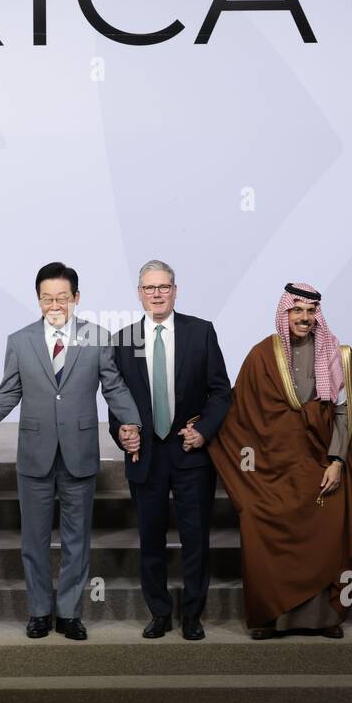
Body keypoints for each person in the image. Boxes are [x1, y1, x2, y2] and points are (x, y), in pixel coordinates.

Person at [0, 262, 142, 640]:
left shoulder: (97, 337)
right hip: (34, 454)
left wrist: (131, 421)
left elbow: (113, 387)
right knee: (33, 541)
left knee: (76, 539)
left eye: (62, 298)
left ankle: (69, 613)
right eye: (47, 298)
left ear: (76, 298)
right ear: (38, 300)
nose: (55, 304)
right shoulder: (20, 340)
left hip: (79, 452)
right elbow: (10, 391)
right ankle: (38, 612)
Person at [209, 283, 352, 639]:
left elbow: (345, 414)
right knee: (260, 523)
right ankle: (271, 617)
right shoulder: (261, 356)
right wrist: (202, 427)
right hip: (273, 467)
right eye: (297, 311)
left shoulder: (337, 354)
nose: (304, 318)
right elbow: (241, 412)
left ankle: (323, 618)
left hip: (320, 464)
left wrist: (337, 461)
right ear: (284, 313)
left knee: (326, 532)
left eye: (311, 312)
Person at [108, 260, 231, 641]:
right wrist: (121, 432)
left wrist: (205, 432)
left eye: (163, 287)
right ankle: (159, 613)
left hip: (190, 453)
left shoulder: (201, 332)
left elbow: (220, 391)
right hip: (146, 456)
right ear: (140, 293)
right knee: (151, 539)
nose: (157, 294)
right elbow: (116, 399)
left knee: (196, 539)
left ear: (175, 291)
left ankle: (192, 615)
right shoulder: (124, 340)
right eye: (149, 288)